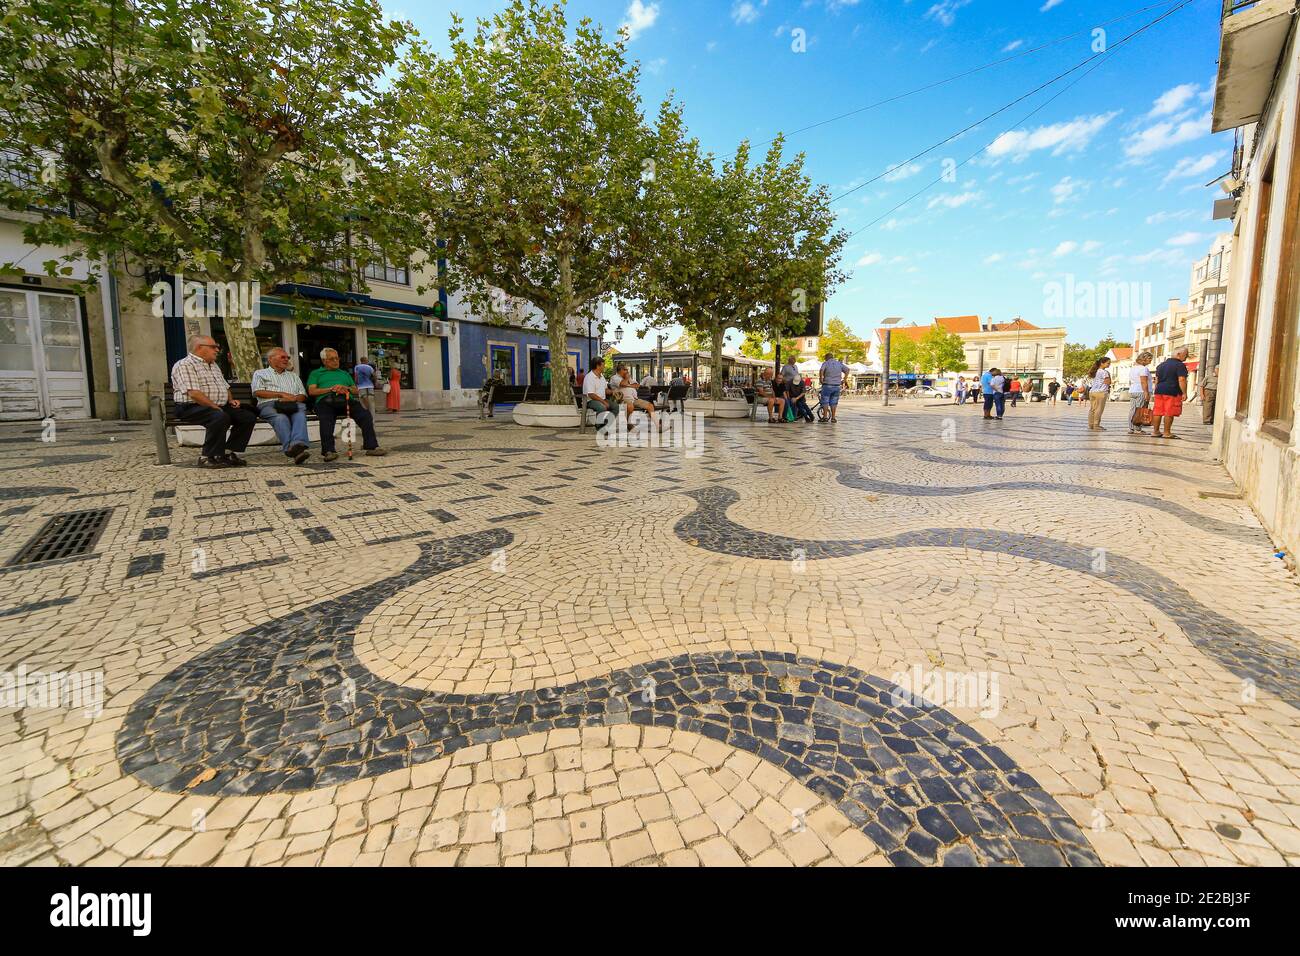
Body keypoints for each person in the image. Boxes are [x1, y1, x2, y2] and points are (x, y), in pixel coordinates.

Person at [170, 334, 257, 468]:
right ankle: (206, 457)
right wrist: (214, 407)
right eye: (213, 347)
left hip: (216, 406)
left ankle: (227, 453)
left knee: (247, 417)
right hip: (190, 407)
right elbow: (194, 393)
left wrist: (231, 400)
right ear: (200, 347)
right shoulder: (185, 365)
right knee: (219, 416)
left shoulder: (214, 365)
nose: (217, 349)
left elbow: (225, 386)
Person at [307, 348, 387, 460]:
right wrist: (331, 389)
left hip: (346, 399)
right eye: (332, 359)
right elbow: (312, 391)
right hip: (325, 401)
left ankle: (371, 446)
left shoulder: (344, 373)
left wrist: (346, 388)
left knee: (365, 415)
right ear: (324, 361)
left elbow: (356, 391)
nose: (336, 361)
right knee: (326, 420)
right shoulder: (316, 373)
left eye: (337, 358)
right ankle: (328, 451)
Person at [251, 347, 311, 465]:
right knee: (280, 418)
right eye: (282, 357)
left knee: (300, 414)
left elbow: (303, 395)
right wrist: (281, 394)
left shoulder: (293, 376)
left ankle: (294, 447)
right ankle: (295, 448)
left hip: (292, 404)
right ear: (270, 359)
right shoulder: (260, 373)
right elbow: (257, 392)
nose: (286, 359)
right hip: (269, 404)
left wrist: (293, 398)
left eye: (287, 357)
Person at [1152, 347, 1190, 440]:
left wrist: (1156, 389)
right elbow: (1182, 379)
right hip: (1172, 390)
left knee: (1158, 411)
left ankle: (1155, 431)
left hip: (1159, 390)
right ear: (1178, 354)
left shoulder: (1161, 365)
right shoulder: (1180, 365)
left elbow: (1156, 380)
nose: (1186, 357)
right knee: (1169, 412)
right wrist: (1184, 392)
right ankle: (1167, 432)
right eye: (1185, 355)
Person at [582, 357, 619, 432]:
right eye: (603, 365)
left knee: (616, 407)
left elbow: (605, 390)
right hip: (590, 401)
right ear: (597, 366)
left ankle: (605, 424)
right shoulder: (589, 377)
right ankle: (600, 427)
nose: (604, 367)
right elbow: (591, 394)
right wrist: (603, 401)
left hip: (601, 399)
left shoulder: (602, 377)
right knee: (602, 407)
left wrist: (612, 392)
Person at [819, 351, 849, 423]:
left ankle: (825, 417)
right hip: (837, 386)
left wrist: (821, 378)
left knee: (825, 401)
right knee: (834, 402)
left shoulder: (826, 363)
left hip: (827, 385)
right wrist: (844, 379)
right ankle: (833, 418)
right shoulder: (839, 363)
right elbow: (847, 370)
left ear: (826, 358)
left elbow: (821, 370)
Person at [1128, 351, 1153, 435]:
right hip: (1141, 391)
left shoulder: (1133, 368)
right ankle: (1137, 429)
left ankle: (1131, 427)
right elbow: (1143, 381)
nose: (1150, 361)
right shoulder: (1143, 369)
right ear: (1144, 359)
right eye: (1149, 359)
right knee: (1140, 410)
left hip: (1133, 390)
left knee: (1133, 410)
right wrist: (1146, 392)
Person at [1086, 357, 1112, 430]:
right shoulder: (1104, 372)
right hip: (1101, 392)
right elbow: (1108, 382)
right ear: (1102, 363)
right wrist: (1109, 376)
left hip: (1092, 392)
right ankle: (1096, 425)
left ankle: (1091, 424)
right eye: (1108, 363)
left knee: (1092, 409)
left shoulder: (1095, 371)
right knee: (1099, 409)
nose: (1109, 365)